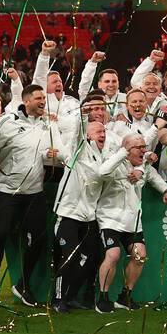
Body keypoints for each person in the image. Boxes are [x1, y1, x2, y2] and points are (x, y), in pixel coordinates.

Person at [0, 84, 59, 307]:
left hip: (34, 192)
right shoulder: (9, 123)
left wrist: (51, 155)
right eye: (38, 98)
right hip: (7, 191)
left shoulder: (47, 125)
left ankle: (23, 284)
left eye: (43, 99)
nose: (42, 102)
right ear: (26, 100)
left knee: (39, 240)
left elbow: (51, 153)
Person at [51, 105, 122, 312]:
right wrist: (83, 116)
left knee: (89, 260)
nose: (103, 134)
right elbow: (78, 134)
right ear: (88, 135)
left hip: (89, 217)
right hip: (68, 215)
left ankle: (71, 296)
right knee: (70, 256)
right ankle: (57, 299)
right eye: (98, 131)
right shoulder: (77, 153)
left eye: (104, 131)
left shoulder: (103, 157)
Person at [94, 134, 167, 312]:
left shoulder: (143, 167)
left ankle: (125, 296)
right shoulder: (114, 162)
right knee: (113, 255)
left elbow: (155, 179)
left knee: (140, 255)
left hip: (132, 221)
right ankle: (103, 297)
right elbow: (102, 172)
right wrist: (123, 153)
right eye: (139, 147)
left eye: (145, 146)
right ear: (127, 149)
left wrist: (166, 191)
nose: (144, 150)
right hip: (110, 219)